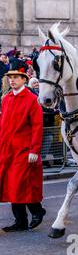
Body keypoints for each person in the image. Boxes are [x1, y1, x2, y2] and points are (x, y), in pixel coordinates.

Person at [0, 60, 46, 232]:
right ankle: (20, 221)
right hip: (7, 149)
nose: (12, 80)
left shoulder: (32, 100)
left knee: (21, 183)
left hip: (24, 149)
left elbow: (37, 127)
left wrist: (35, 150)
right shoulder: (6, 99)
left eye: (16, 77)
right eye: (10, 77)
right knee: (12, 184)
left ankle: (37, 210)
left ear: (24, 80)